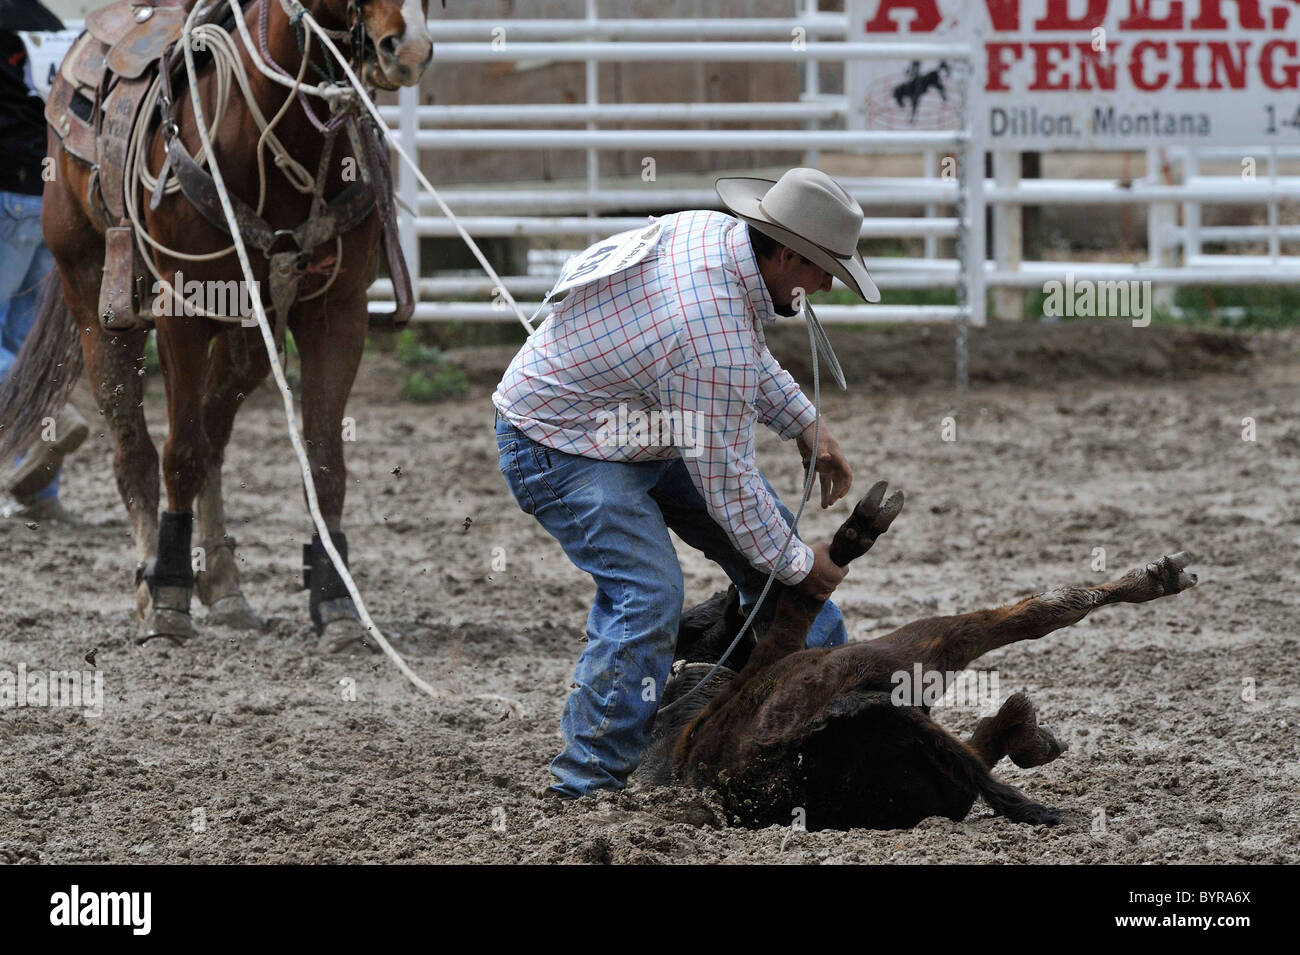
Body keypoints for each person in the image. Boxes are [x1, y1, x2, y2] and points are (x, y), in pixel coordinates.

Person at [493, 167, 881, 797]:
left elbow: (739, 360)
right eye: (823, 269)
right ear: (786, 255)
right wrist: (796, 564)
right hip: (558, 441)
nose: (827, 285)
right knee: (649, 592)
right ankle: (585, 781)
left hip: (633, 420)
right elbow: (725, 474)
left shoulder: (715, 238)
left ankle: (827, 713)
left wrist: (804, 422)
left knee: (767, 551)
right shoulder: (709, 325)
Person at [0, 7, 86, 523]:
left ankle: (50, 413)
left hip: (4, 191)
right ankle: (38, 492)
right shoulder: (49, 25)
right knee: (32, 345)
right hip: (50, 199)